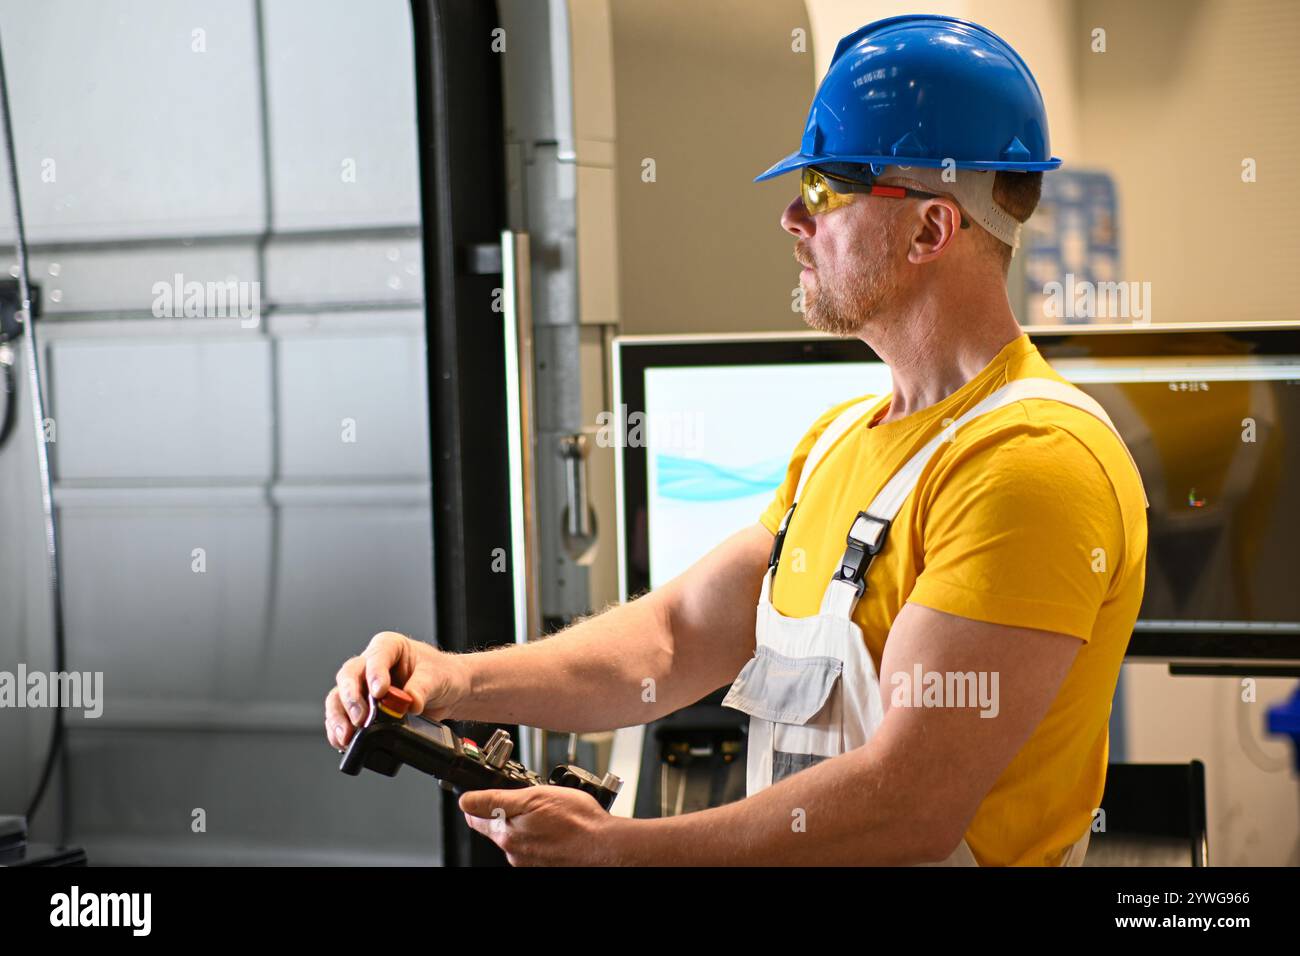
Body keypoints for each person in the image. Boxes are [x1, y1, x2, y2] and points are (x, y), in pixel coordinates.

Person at [325, 15, 1148, 866]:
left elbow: (909, 806)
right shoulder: (840, 443)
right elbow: (675, 639)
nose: (793, 217)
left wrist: (621, 850)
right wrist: (454, 681)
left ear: (931, 230)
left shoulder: (1033, 465)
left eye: (827, 189)